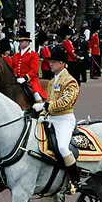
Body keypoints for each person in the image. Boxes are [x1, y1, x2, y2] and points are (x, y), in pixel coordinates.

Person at [33, 46, 81, 192]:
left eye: (53, 62)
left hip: (64, 119)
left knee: (62, 147)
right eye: (50, 62)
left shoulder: (70, 81)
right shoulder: (52, 82)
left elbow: (67, 101)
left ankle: (75, 179)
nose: (50, 64)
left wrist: (45, 107)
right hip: (51, 118)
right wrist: (42, 115)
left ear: (62, 63)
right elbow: (49, 100)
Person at [11, 30, 47, 103]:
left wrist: (25, 78)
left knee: (36, 95)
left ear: (27, 42)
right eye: (19, 41)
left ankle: (41, 110)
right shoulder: (15, 55)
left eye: (22, 41)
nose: (20, 43)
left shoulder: (33, 54)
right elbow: (13, 68)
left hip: (31, 80)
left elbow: (34, 70)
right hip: (17, 80)